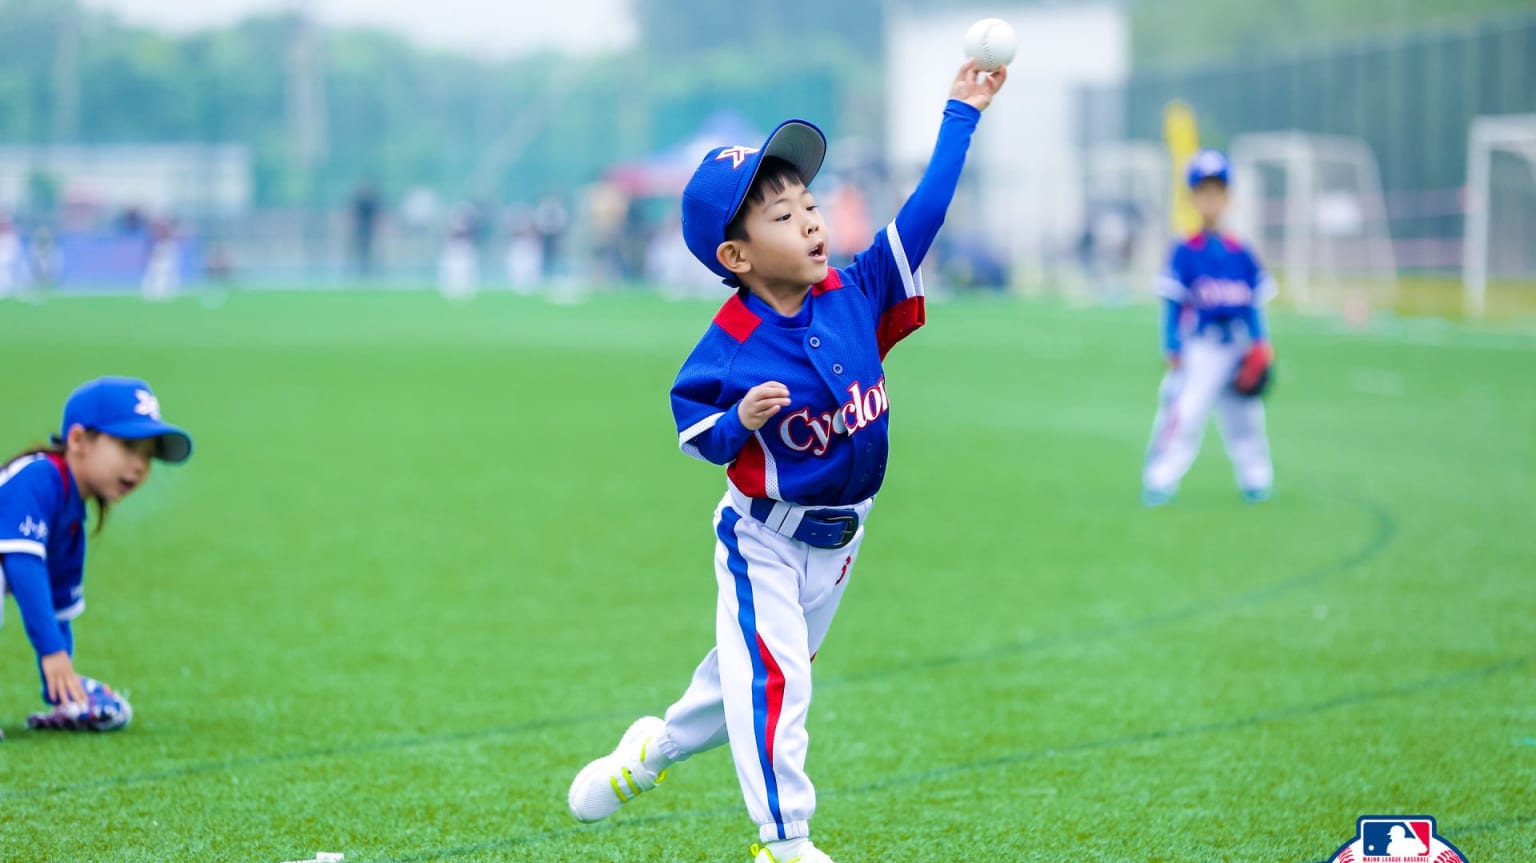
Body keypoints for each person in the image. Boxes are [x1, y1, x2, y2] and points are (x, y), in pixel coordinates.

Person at [565, 60, 1007, 863]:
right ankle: (783, 842)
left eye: (808, 202)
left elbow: (926, 213)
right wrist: (737, 417)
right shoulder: (729, 344)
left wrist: (961, 113)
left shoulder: (855, 288)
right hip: (762, 541)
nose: (809, 220)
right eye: (781, 214)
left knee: (741, 686)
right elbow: (692, 432)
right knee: (778, 685)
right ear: (736, 255)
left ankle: (650, 750)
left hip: (840, 546)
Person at [0, 377, 193, 735]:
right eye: (128, 446)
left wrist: (64, 690)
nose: (139, 466)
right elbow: (22, 566)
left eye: (148, 455)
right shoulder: (38, 477)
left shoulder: (72, 521)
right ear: (77, 440)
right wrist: (52, 654)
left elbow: (58, 607)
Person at [1142, 149, 1276, 506]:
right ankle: (1160, 479)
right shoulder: (1185, 251)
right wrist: (1170, 345)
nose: (1211, 199)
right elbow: (1171, 303)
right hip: (1199, 348)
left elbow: (1253, 305)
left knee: (1246, 420)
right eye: (1203, 192)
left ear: (1228, 197)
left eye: (1217, 192)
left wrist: (1261, 343)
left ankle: (1256, 481)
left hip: (1237, 347)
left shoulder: (1241, 252)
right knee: (1182, 415)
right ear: (1192, 198)